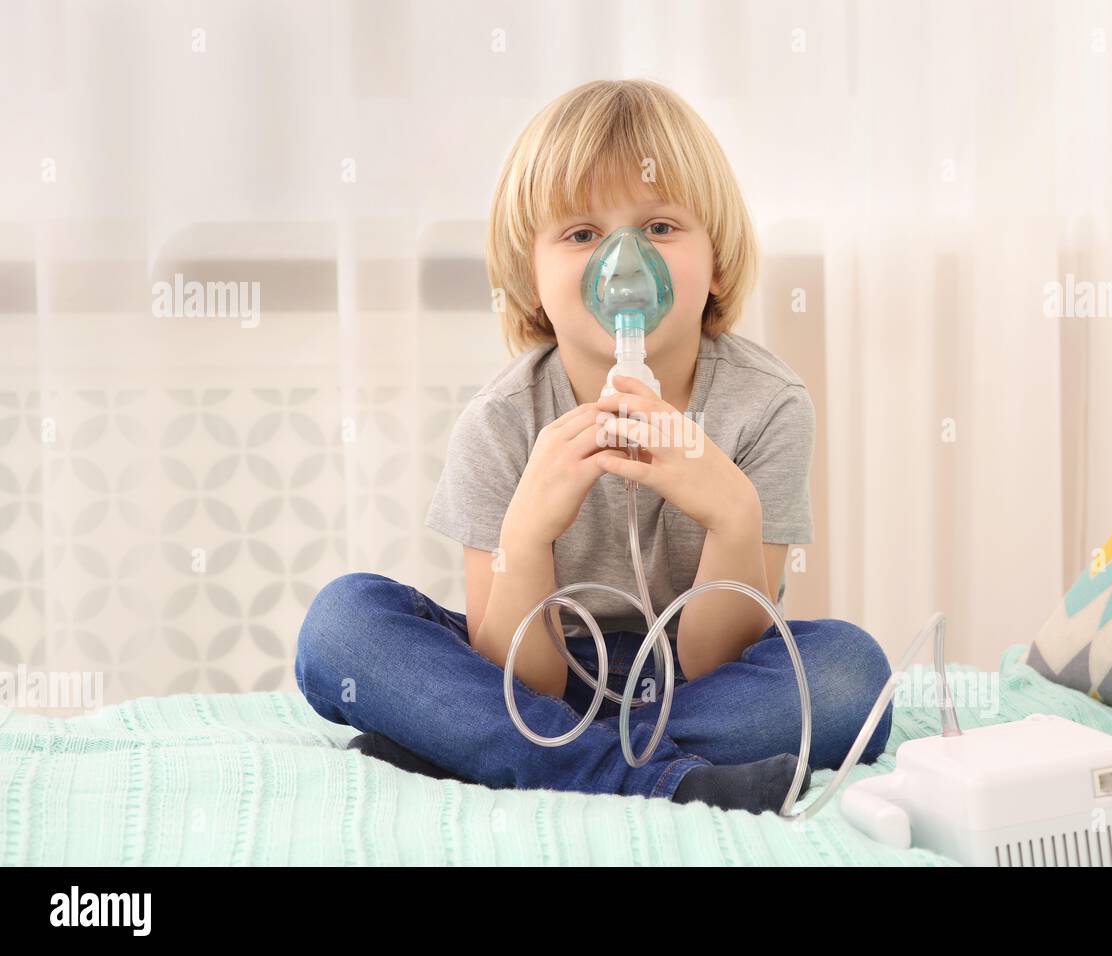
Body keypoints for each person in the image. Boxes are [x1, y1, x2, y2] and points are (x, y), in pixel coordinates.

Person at [295, 79, 893, 815]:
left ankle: (485, 749)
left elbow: (714, 663)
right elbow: (527, 682)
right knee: (342, 625)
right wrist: (527, 530)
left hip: (693, 685)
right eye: (582, 235)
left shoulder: (766, 406)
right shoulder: (500, 423)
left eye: (661, 227)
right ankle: (650, 776)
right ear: (531, 276)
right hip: (537, 668)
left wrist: (733, 514)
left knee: (851, 675)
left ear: (717, 258)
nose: (625, 263)